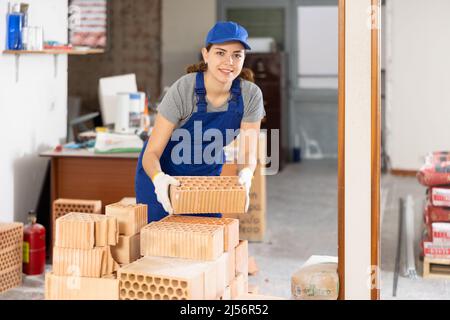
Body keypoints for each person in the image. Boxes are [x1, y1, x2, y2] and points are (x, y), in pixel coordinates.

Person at [135, 21, 265, 222]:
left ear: (243, 58)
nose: (229, 61)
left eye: (237, 55)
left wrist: (247, 172)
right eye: (220, 53)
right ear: (206, 54)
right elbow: (151, 153)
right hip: (162, 174)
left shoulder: (250, 95)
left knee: (205, 238)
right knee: (160, 240)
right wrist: (159, 180)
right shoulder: (183, 90)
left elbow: (249, 150)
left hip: (204, 177)